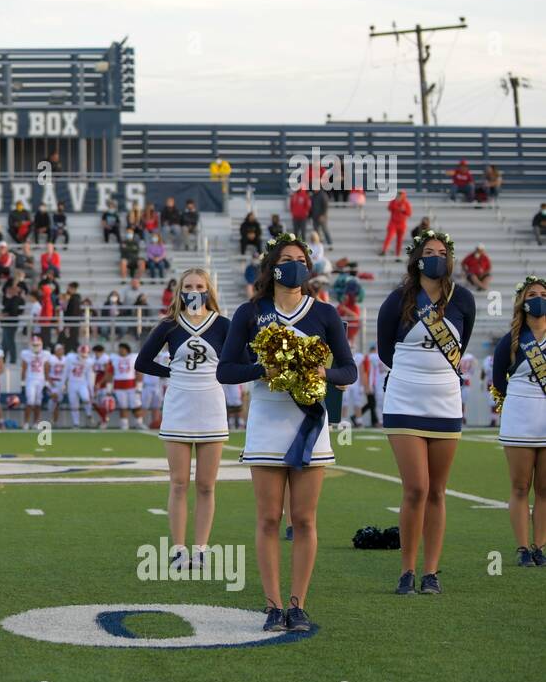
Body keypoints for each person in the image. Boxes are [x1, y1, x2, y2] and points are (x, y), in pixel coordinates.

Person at [218, 233, 356, 632]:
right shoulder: (250, 312)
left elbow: (349, 371)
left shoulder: (324, 313)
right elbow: (225, 370)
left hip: (309, 421)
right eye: (287, 260)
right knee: (267, 519)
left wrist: (322, 372)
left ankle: (298, 605)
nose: (295, 266)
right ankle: (272, 606)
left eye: (301, 261)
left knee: (304, 520)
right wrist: (262, 369)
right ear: (272, 267)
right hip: (266, 418)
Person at [376, 229, 476, 595]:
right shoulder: (398, 299)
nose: (437, 258)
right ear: (417, 259)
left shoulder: (462, 299)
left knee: (437, 490)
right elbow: (385, 350)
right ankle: (407, 570)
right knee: (416, 487)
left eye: (442, 253)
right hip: (404, 397)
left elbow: (460, 346)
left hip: (445, 399)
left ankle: (431, 572)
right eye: (430, 252)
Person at [135, 269, 231, 570]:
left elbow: (240, 361)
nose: (194, 291)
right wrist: (172, 373)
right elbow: (142, 361)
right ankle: (178, 550)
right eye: (188, 286)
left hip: (211, 406)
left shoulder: (223, 325)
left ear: (208, 290)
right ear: (180, 291)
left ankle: (201, 549)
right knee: (178, 483)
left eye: (200, 286)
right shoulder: (170, 325)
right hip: (179, 405)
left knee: (206, 485)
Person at [492, 276, 546, 566]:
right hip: (520, 417)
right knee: (520, 486)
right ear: (522, 303)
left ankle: (540, 546)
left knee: (545, 489)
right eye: (532, 295)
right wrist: (516, 401)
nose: (539, 299)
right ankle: (523, 548)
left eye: (543, 295)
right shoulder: (512, 339)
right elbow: (498, 380)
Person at [382, 189, 412, 257]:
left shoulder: (406, 203)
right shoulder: (393, 201)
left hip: (402, 224)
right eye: (399, 194)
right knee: (389, 237)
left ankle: (398, 254)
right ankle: (384, 250)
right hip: (393, 222)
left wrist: (403, 210)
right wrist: (396, 204)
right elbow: (389, 208)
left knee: (399, 240)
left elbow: (409, 213)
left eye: (401, 194)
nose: (399, 195)